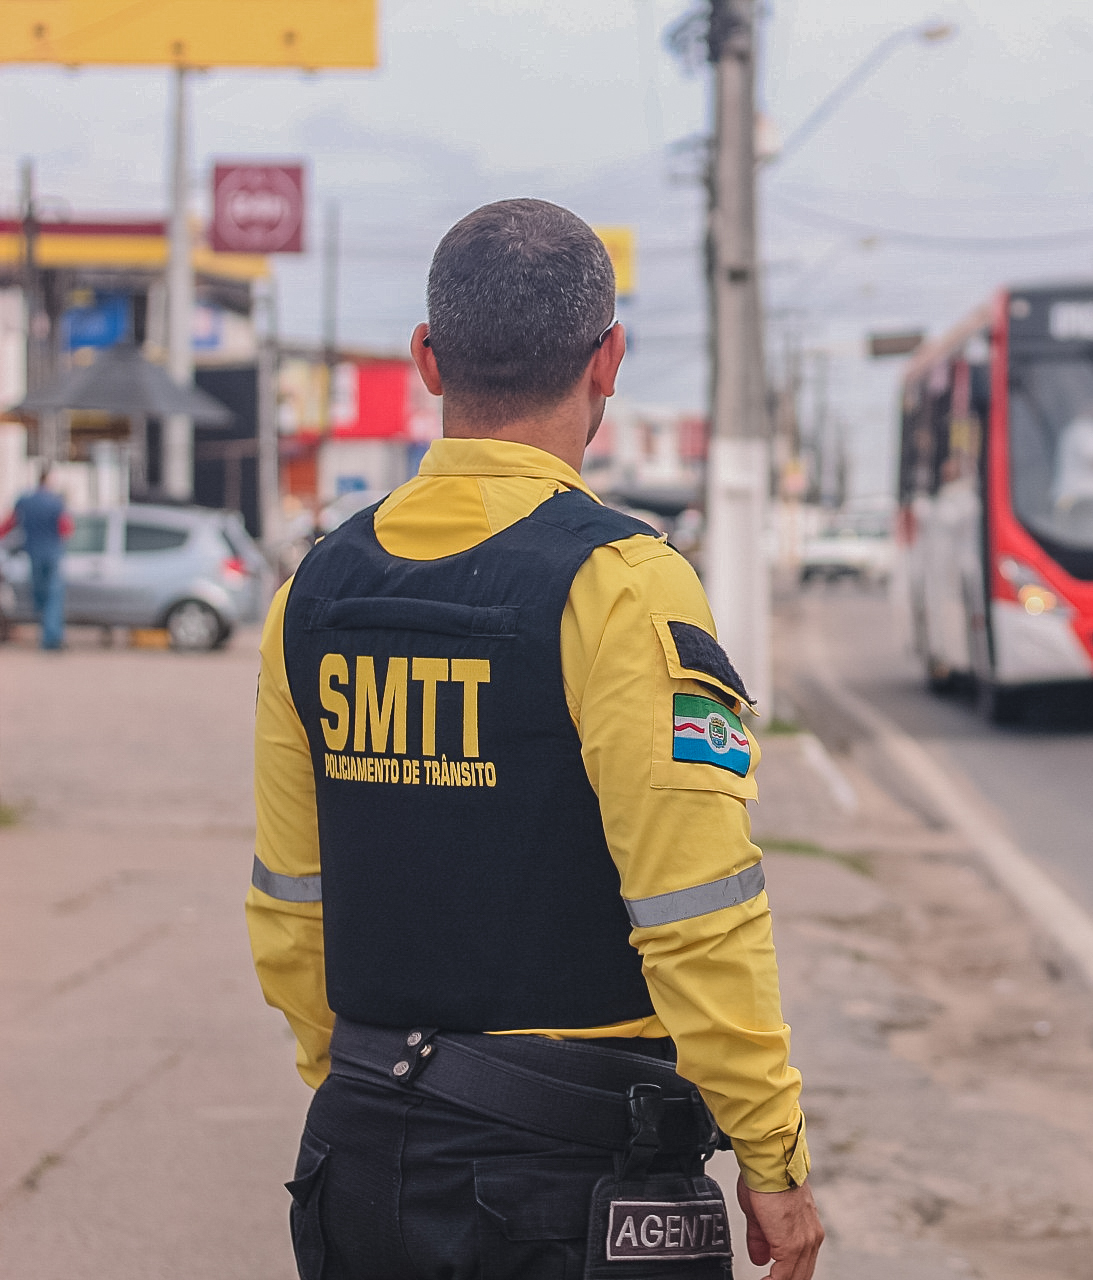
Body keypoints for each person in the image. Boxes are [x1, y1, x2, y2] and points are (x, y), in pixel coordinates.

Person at [246, 199, 824, 1280]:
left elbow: (290, 904)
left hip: (358, 1155)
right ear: (609, 360)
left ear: (428, 358)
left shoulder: (312, 591)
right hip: (566, 1182)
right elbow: (697, 911)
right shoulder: (623, 585)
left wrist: (371, 1084)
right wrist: (772, 1151)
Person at [1, 464, 72, 650]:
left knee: (40, 594)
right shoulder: (56, 502)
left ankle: (47, 631)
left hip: (33, 553)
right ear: (48, 479)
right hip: (52, 554)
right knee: (53, 596)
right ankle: (51, 637)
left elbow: (9, 523)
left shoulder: (25, 500)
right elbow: (66, 528)